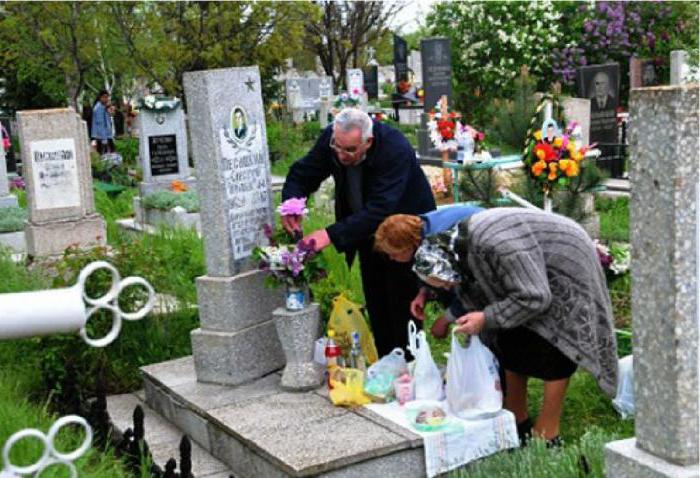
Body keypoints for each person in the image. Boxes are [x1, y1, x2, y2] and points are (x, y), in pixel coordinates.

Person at [374, 207, 618, 446]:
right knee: (509, 336)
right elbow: (472, 290)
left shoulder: (494, 246)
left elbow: (536, 297)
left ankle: (547, 433)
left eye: (445, 286)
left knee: (554, 343)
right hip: (527, 264)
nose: (447, 291)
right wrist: (468, 313)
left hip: (564, 258)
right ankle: (515, 419)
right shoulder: (453, 251)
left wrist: (486, 318)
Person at [281, 108, 436, 356]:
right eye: (338, 147)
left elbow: (381, 209)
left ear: (368, 142)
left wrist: (329, 235)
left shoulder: (394, 148)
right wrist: (292, 204)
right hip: (364, 234)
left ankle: (410, 367)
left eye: (350, 150)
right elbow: (304, 172)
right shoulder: (334, 141)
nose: (342, 155)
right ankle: (388, 363)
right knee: (377, 302)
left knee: (402, 303)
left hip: (402, 234)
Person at [91, 90, 114, 154]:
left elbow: (112, 114)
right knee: (103, 154)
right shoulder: (97, 108)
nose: (106, 99)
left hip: (108, 134)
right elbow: (98, 124)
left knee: (112, 153)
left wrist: (110, 108)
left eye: (107, 97)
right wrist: (94, 138)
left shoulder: (105, 107)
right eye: (104, 97)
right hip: (101, 136)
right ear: (100, 98)